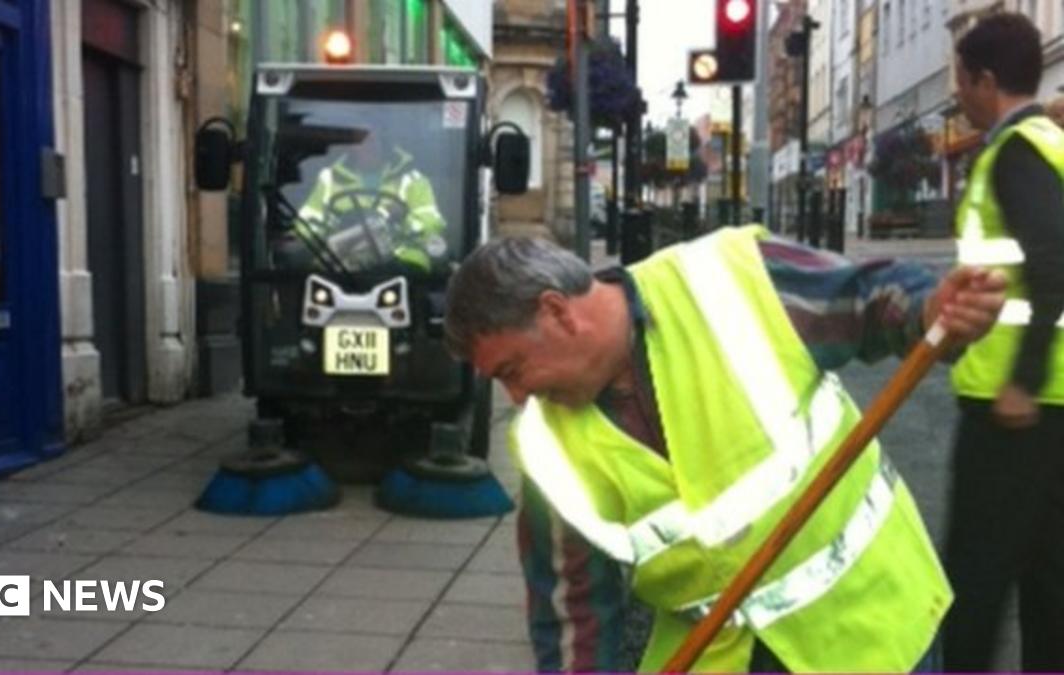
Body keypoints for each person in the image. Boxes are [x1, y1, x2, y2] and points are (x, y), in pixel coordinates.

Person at [444, 227, 1007, 672]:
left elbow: (863, 299)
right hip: (721, 658)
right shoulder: (547, 445)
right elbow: (574, 611)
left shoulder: (727, 280)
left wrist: (928, 311)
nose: (517, 397)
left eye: (513, 370)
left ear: (558, 312)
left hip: (870, 632)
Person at [943, 13, 1064, 671]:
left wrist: (1021, 375)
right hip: (1055, 403)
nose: (958, 94)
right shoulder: (1052, 144)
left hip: (1011, 405)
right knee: (1048, 577)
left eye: (962, 80)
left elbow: (1052, 261)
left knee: (975, 579)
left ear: (985, 80)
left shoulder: (1015, 153)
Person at [296, 127, 448, 273]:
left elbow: (430, 222)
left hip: (400, 257)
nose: (368, 147)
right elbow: (309, 220)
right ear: (351, 147)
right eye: (361, 142)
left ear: (384, 143)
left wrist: (401, 223)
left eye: (373, 141)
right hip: (342, 258)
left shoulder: (413, 179)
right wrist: (303, 238)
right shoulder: (329, 178)